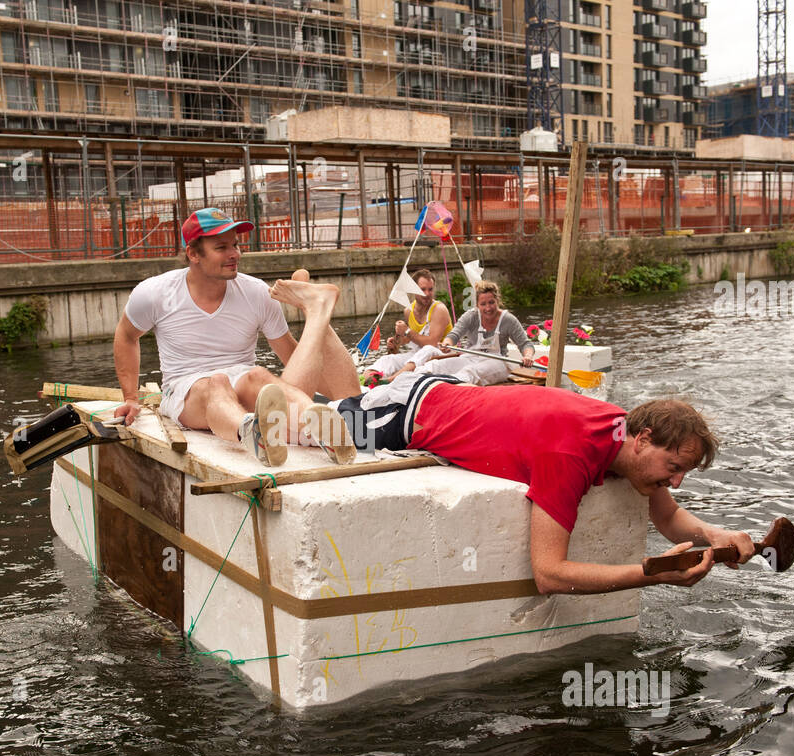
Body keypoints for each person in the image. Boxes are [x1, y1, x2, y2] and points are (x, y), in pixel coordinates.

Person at [333, 371, 756, 592]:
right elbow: (549, 575)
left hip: (456, 393)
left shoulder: (623, 436)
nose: (677, 483)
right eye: (674, 468)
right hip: (413, 412)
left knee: (329, 401)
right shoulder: (569, 456)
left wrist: (715, 535)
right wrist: (652, 576)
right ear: (644, 440)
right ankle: (298, 340)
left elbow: (669, 519)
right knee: (299, 426)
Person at [113, 208, 360, 466]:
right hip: (186, 388)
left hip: (242, 378)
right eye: (221, 247)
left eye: (236, 245)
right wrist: (130, 398)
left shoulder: (257, 293)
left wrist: (343, 394)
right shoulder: (154, 293)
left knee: (260, 376)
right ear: (193, 254)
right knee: (216, 383)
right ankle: (251, 433)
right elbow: (126, 336)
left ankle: (319, 423)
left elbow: (292, 356)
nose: (234, 254)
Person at [385, 281, 536, 386]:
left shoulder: (508, 319)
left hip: (498, 362)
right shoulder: (471, 316)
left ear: (497, 301)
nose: (488, 308)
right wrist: (447, 344)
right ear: (477, 304)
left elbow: (525, 344)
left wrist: (527, 356)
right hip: (470, 356)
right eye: (483, 304)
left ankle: (444, 390)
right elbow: (454, 335)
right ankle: (404, 383)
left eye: (491, 303)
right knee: (436, 366)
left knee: (470, 372)